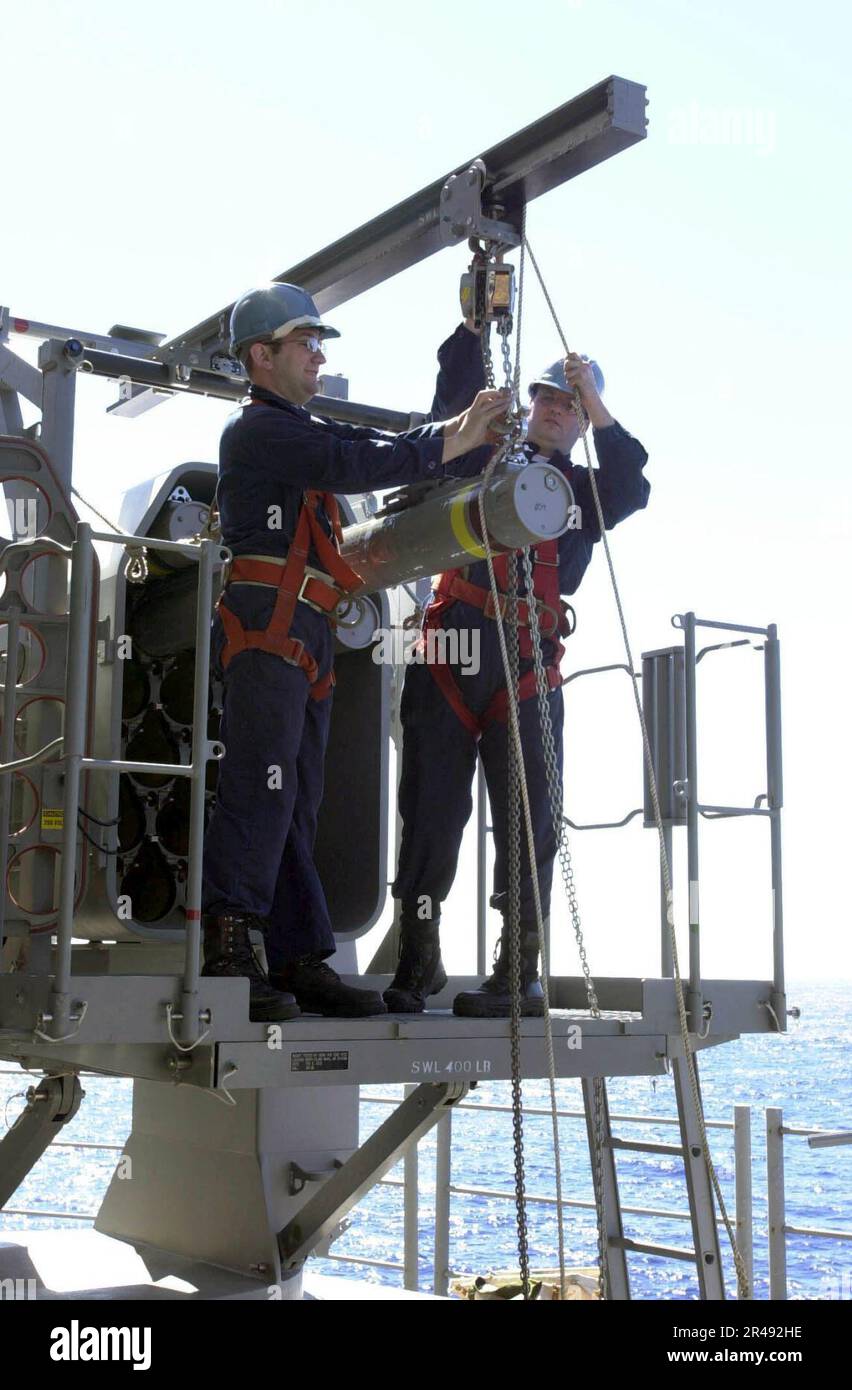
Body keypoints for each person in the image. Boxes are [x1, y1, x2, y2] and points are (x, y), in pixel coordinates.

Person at [201, 285, 509, 1022]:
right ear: (260, 357)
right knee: (263, 788)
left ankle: (299, 957)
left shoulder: (296, 436)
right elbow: (351, 462)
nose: (318, 354)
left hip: (304, 634)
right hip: (269, 629)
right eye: (304, 343)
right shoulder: (258, 434)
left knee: (299, 799)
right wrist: (454, 436)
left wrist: (450, 430)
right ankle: (231, 949)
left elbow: (354, 458)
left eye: (320, 343)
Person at [385, 318, 650, 1018]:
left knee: (531, 813)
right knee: (430, 804)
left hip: (530, 656)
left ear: (583, 418)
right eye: (548, 399)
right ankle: (417, 953)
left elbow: (635, 479)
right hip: (453, 640)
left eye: (569, 404)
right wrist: (474, 324)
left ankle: (518, 965)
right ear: (528, 405)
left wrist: (595, 396)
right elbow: (454, 401)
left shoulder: (590, 493)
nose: (555, 409)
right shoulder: (480, 457)